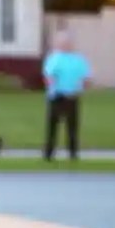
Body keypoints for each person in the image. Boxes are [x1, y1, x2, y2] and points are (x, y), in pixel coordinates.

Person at [41, 31, 93, 161]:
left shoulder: (79, 60)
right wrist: (51, 87)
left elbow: (86, 77)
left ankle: (73, 152)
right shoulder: (54, 58)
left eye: (67, 43)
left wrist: (82, 87)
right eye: (62, 43)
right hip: (57, 95)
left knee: (72, 126)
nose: (65, 45)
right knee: (53, 125)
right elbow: (48, 75)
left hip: (72, 95)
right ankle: (49, 152)